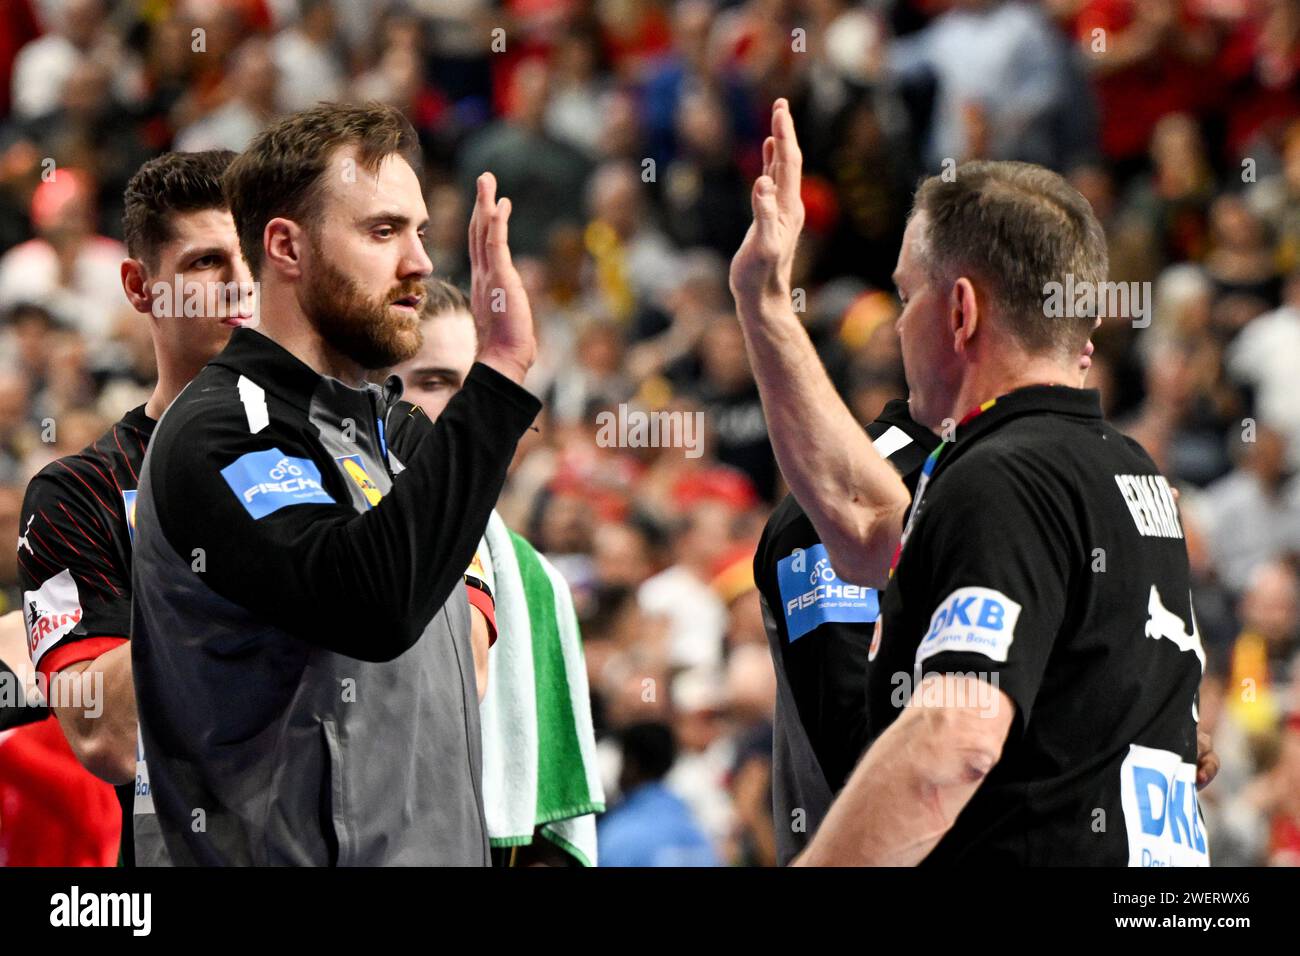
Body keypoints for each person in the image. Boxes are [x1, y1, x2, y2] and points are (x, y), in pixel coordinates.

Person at [731, 99, 1207, 865]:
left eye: (906, 295)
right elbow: (866, 524)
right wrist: (764, 305)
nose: (896, 326)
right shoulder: (1132, 474)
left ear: (960, 311)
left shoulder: (1000, 478)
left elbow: (952, 740)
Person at [129, 102, 540, 866]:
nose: (419, 263)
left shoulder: (396, 434)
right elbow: (372, 605)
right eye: (383, 232)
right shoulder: (220, 432)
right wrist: (500, 373)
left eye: (421, 232)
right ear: (286, 246)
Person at [15, 149, 254, 865]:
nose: (241, 285)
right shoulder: (77, 494)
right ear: (140, 287)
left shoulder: (349, 453)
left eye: (254, 258)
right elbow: (106, 736)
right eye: (207, 262)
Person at [388, 279, 605, 867]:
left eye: (475, 386)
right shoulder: (326, 539)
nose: (464, 408)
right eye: (434, 382)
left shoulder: (538, 582)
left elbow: (552, 842)